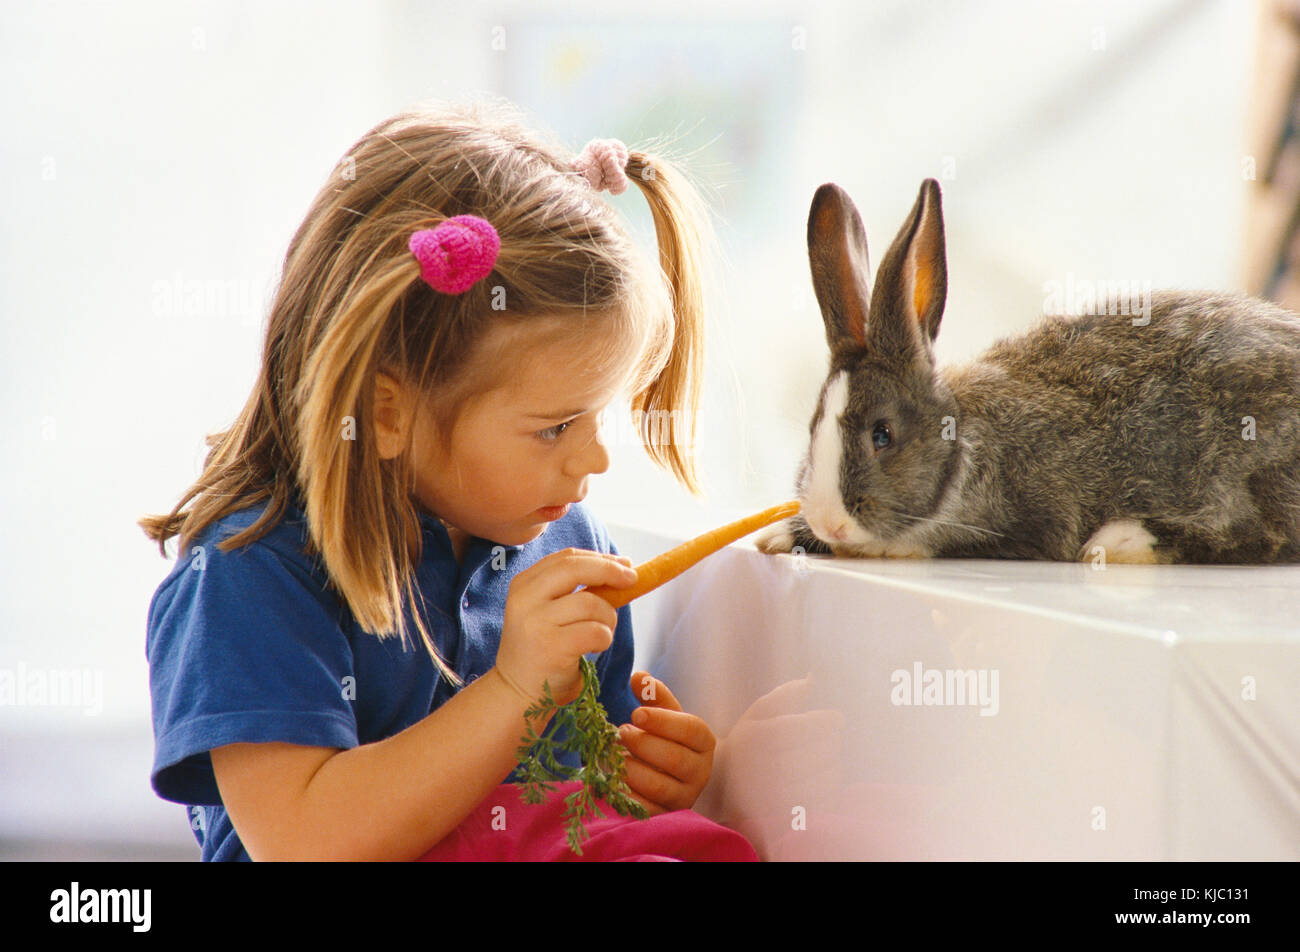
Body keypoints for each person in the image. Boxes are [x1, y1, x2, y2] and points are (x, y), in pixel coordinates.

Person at [138, 96, 759, 862]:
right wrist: (510, 692)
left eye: (598, 418)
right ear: (387, 412)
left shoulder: (563, 542)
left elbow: (564, 806)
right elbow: (303, 841)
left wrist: (640, 778)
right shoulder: (249, 570)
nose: (594, 460)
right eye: (555, 427)